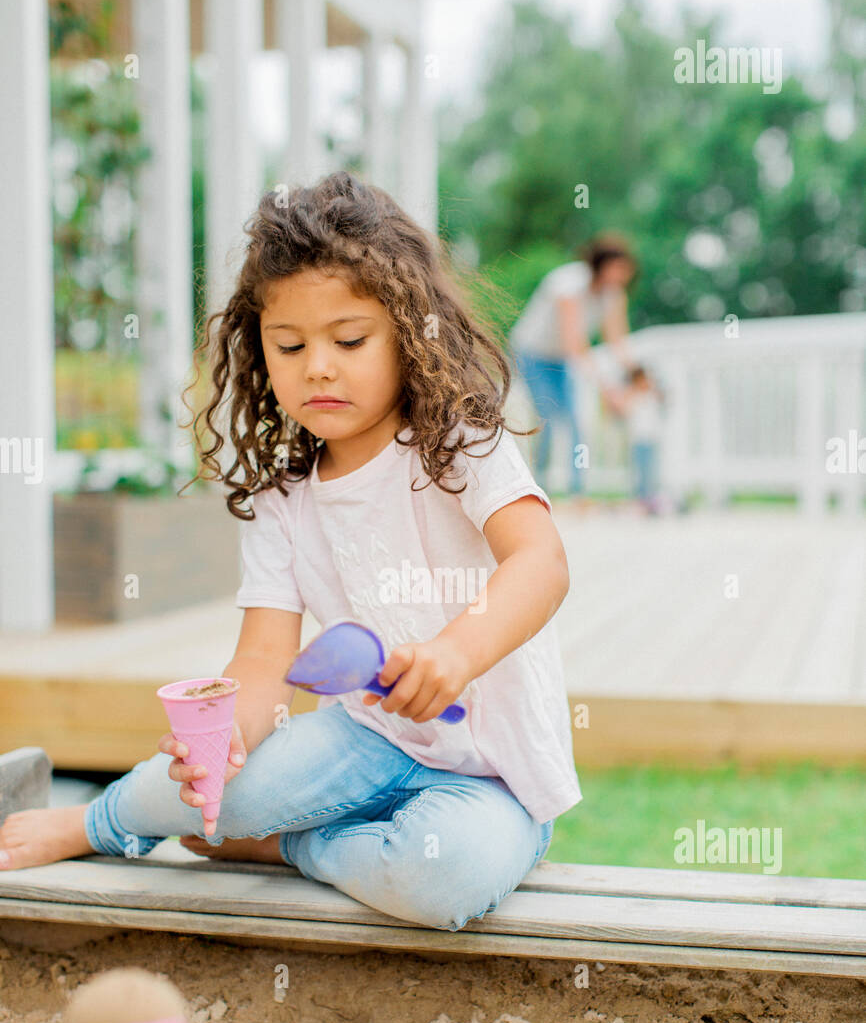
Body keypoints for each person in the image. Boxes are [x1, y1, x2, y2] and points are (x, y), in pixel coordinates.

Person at [0, 172, 583, 933]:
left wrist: (458, 652)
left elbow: (542, 563)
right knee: (216, 792)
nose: (318, 367)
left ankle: (287, 847)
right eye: (290, 345)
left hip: (489, 771)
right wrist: (228, 734)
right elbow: (265, 663)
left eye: (349, 340)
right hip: (363, 738)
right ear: (259, 351)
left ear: (409, 331)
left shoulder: (459, 444)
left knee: (445, 880)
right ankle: (97, 822)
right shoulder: (286, 498)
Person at [510, 233, 638, 502]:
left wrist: (635, 378)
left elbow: (617, 342)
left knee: (576, 421)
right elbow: (574, 343)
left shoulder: (612, 294)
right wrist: (607, 389)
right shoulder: (569, 284)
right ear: (602, 265)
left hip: (560, 359)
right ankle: (537, 487)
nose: (622, 276)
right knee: (547, 418)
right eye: (618, 268)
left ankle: (577, 492)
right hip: (533, 353)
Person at [620, 365, 666, 515]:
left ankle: (651, 499)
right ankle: (640, 500)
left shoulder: (651, 396)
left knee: (651, 471)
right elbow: (623, 409)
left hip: (651, 439)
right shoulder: (633, 397)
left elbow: (663, 397)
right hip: (637, 440)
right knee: (639, 470)